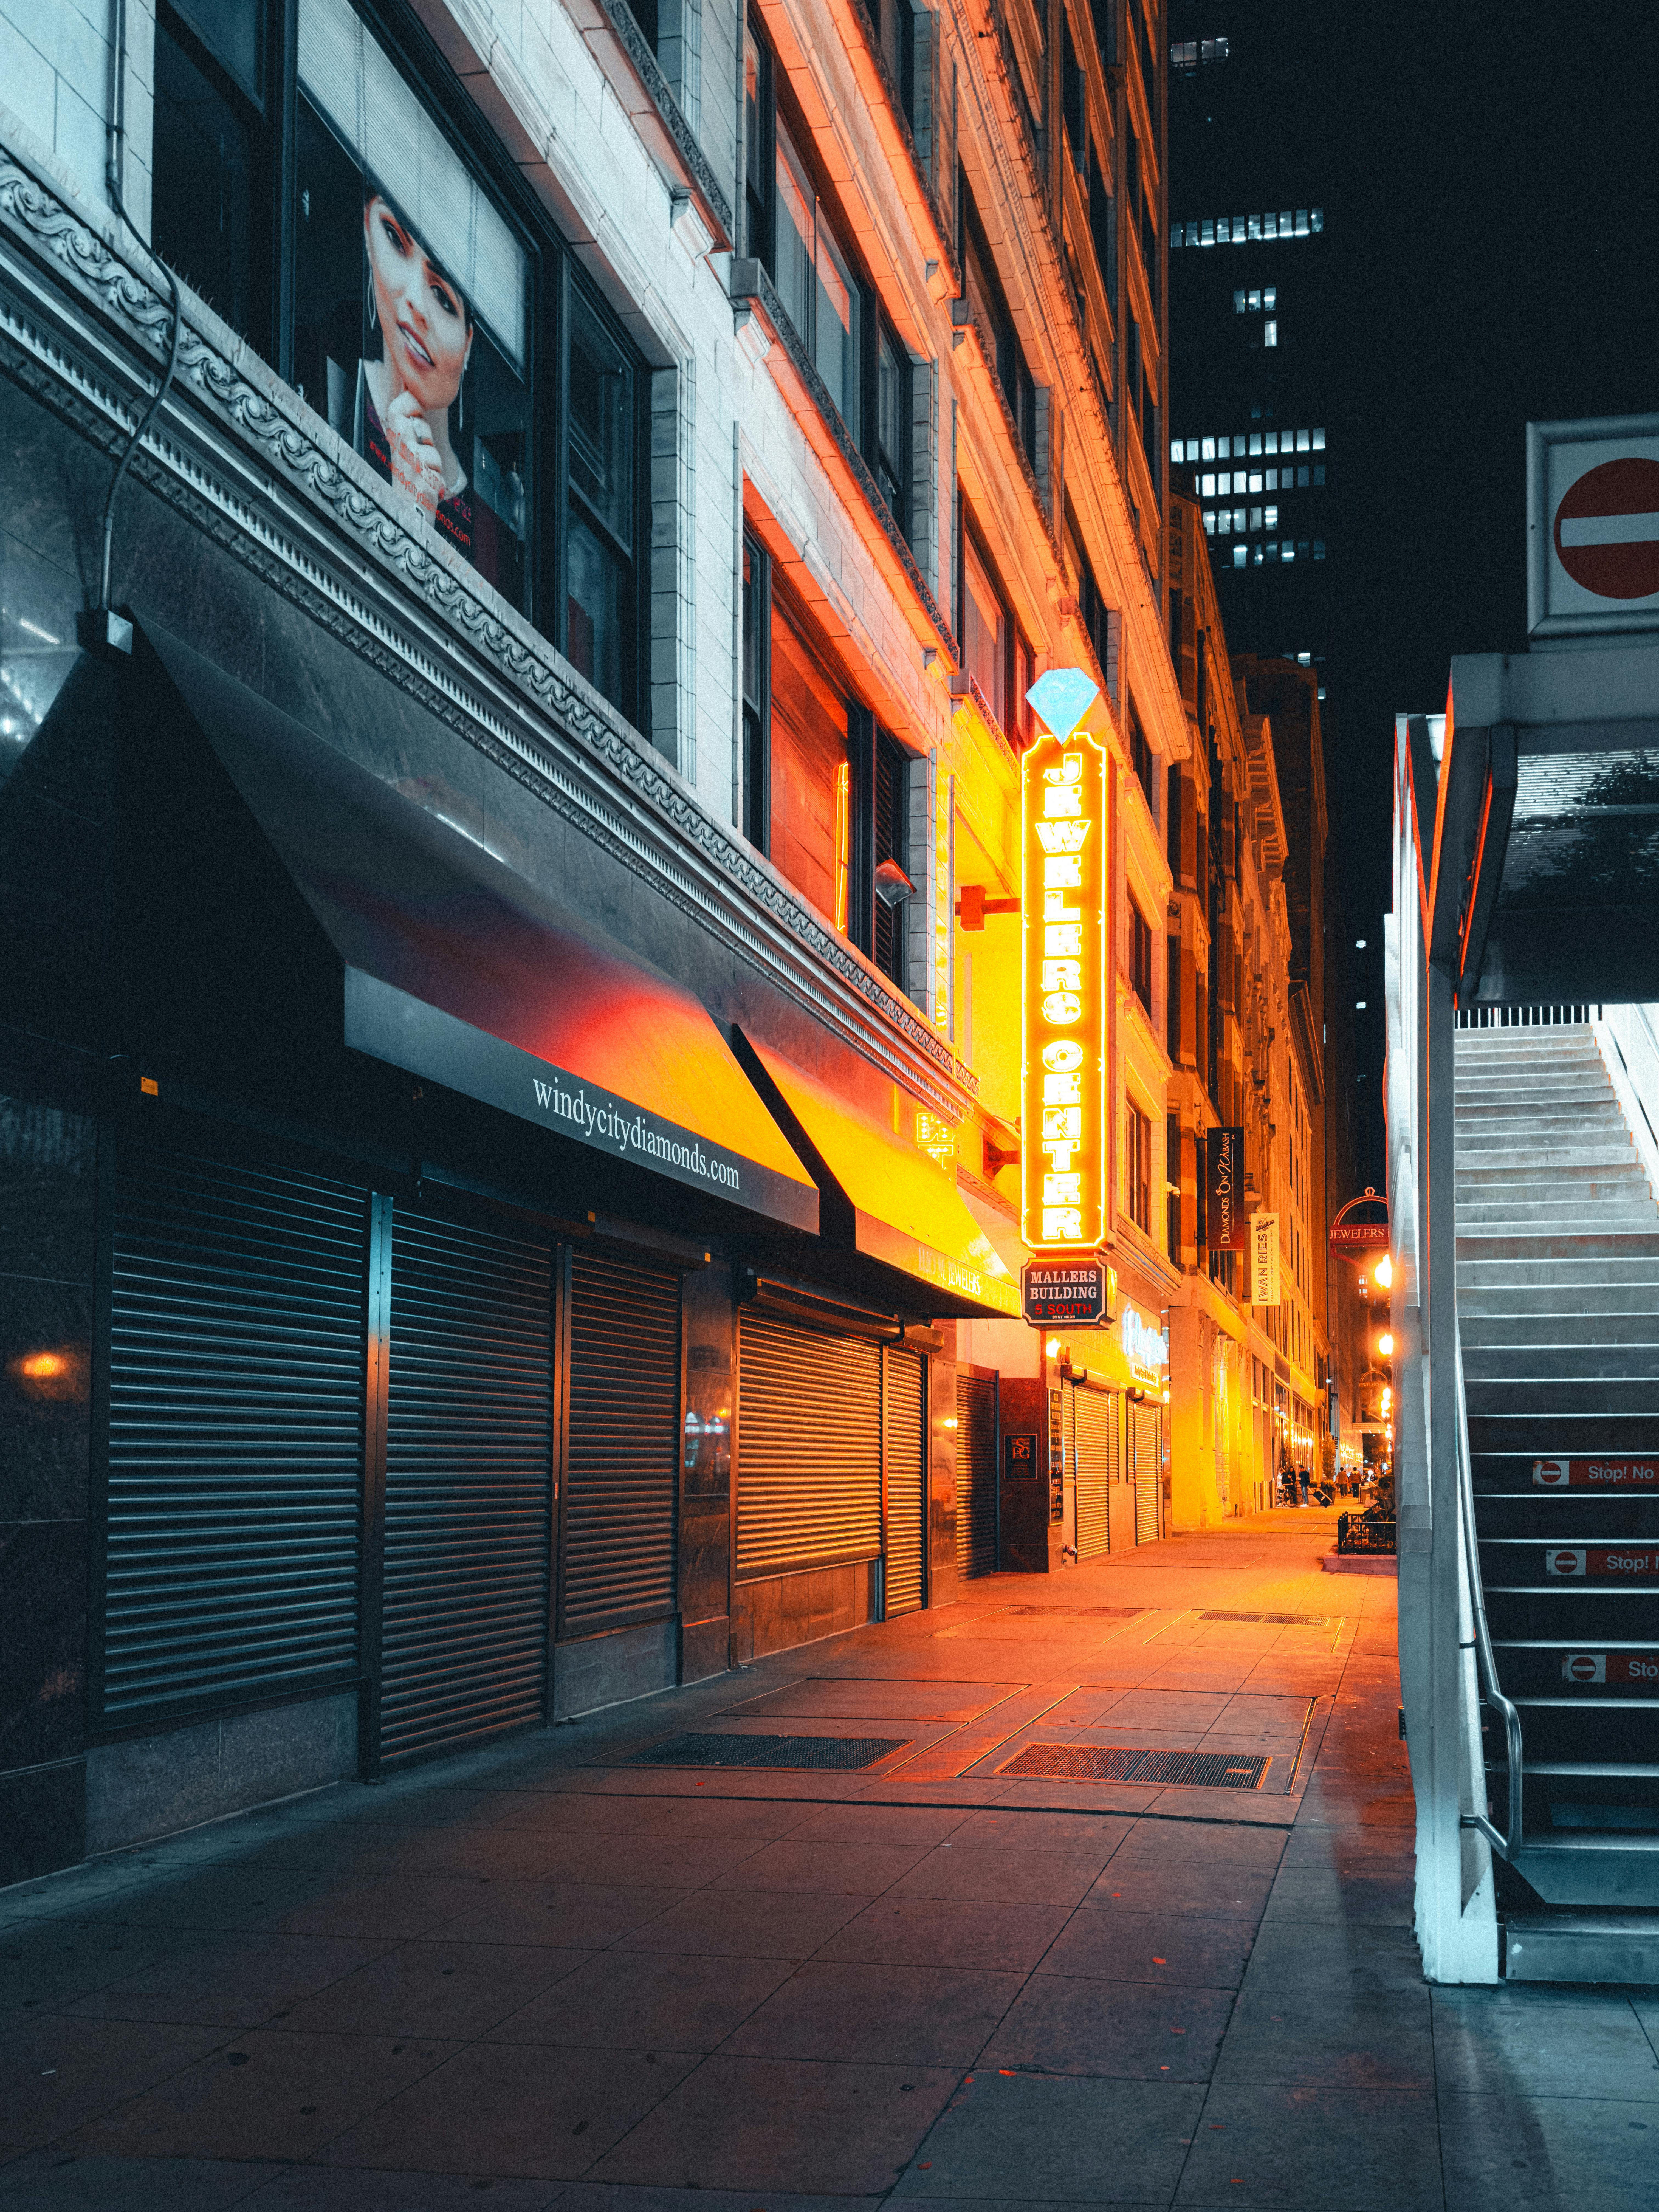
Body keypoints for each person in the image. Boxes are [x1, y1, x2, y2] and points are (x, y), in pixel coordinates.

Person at [358, 188, 507, 583]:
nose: (415, 305)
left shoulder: (492, 524)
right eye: (394, 239)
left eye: (443, 298)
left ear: (470, 343)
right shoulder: (326, 378)